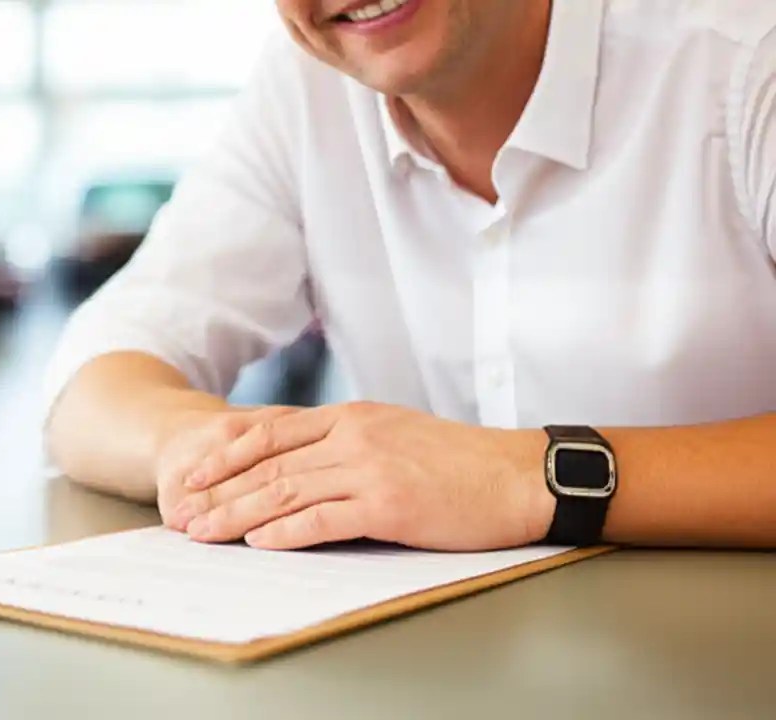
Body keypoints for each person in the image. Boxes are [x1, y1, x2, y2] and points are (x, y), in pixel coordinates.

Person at [43, 0, 776, 552]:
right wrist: (217, 457)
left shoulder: (744, 60)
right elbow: (98, 374)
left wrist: (518, 477)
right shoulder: (306, 89)